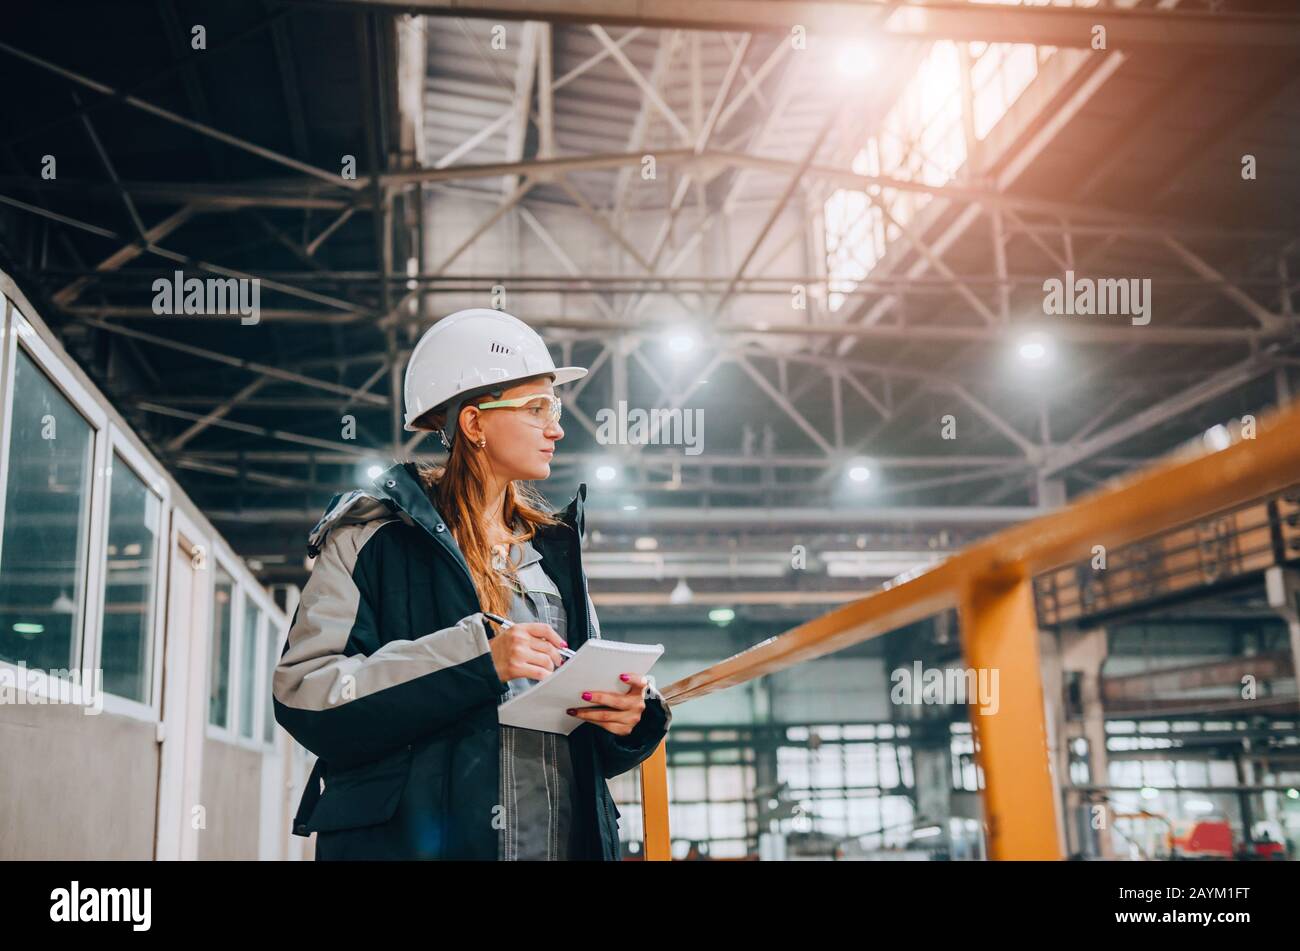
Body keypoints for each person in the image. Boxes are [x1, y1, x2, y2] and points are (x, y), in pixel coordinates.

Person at [273, 308, 672, 860]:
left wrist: (628, 720)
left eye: (552, 408)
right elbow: (307, 695)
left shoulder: (551, 556)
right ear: (474, 423)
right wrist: (473, 658)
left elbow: (586, 748)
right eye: (537, 408)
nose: (556, 427)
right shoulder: (373, 541)